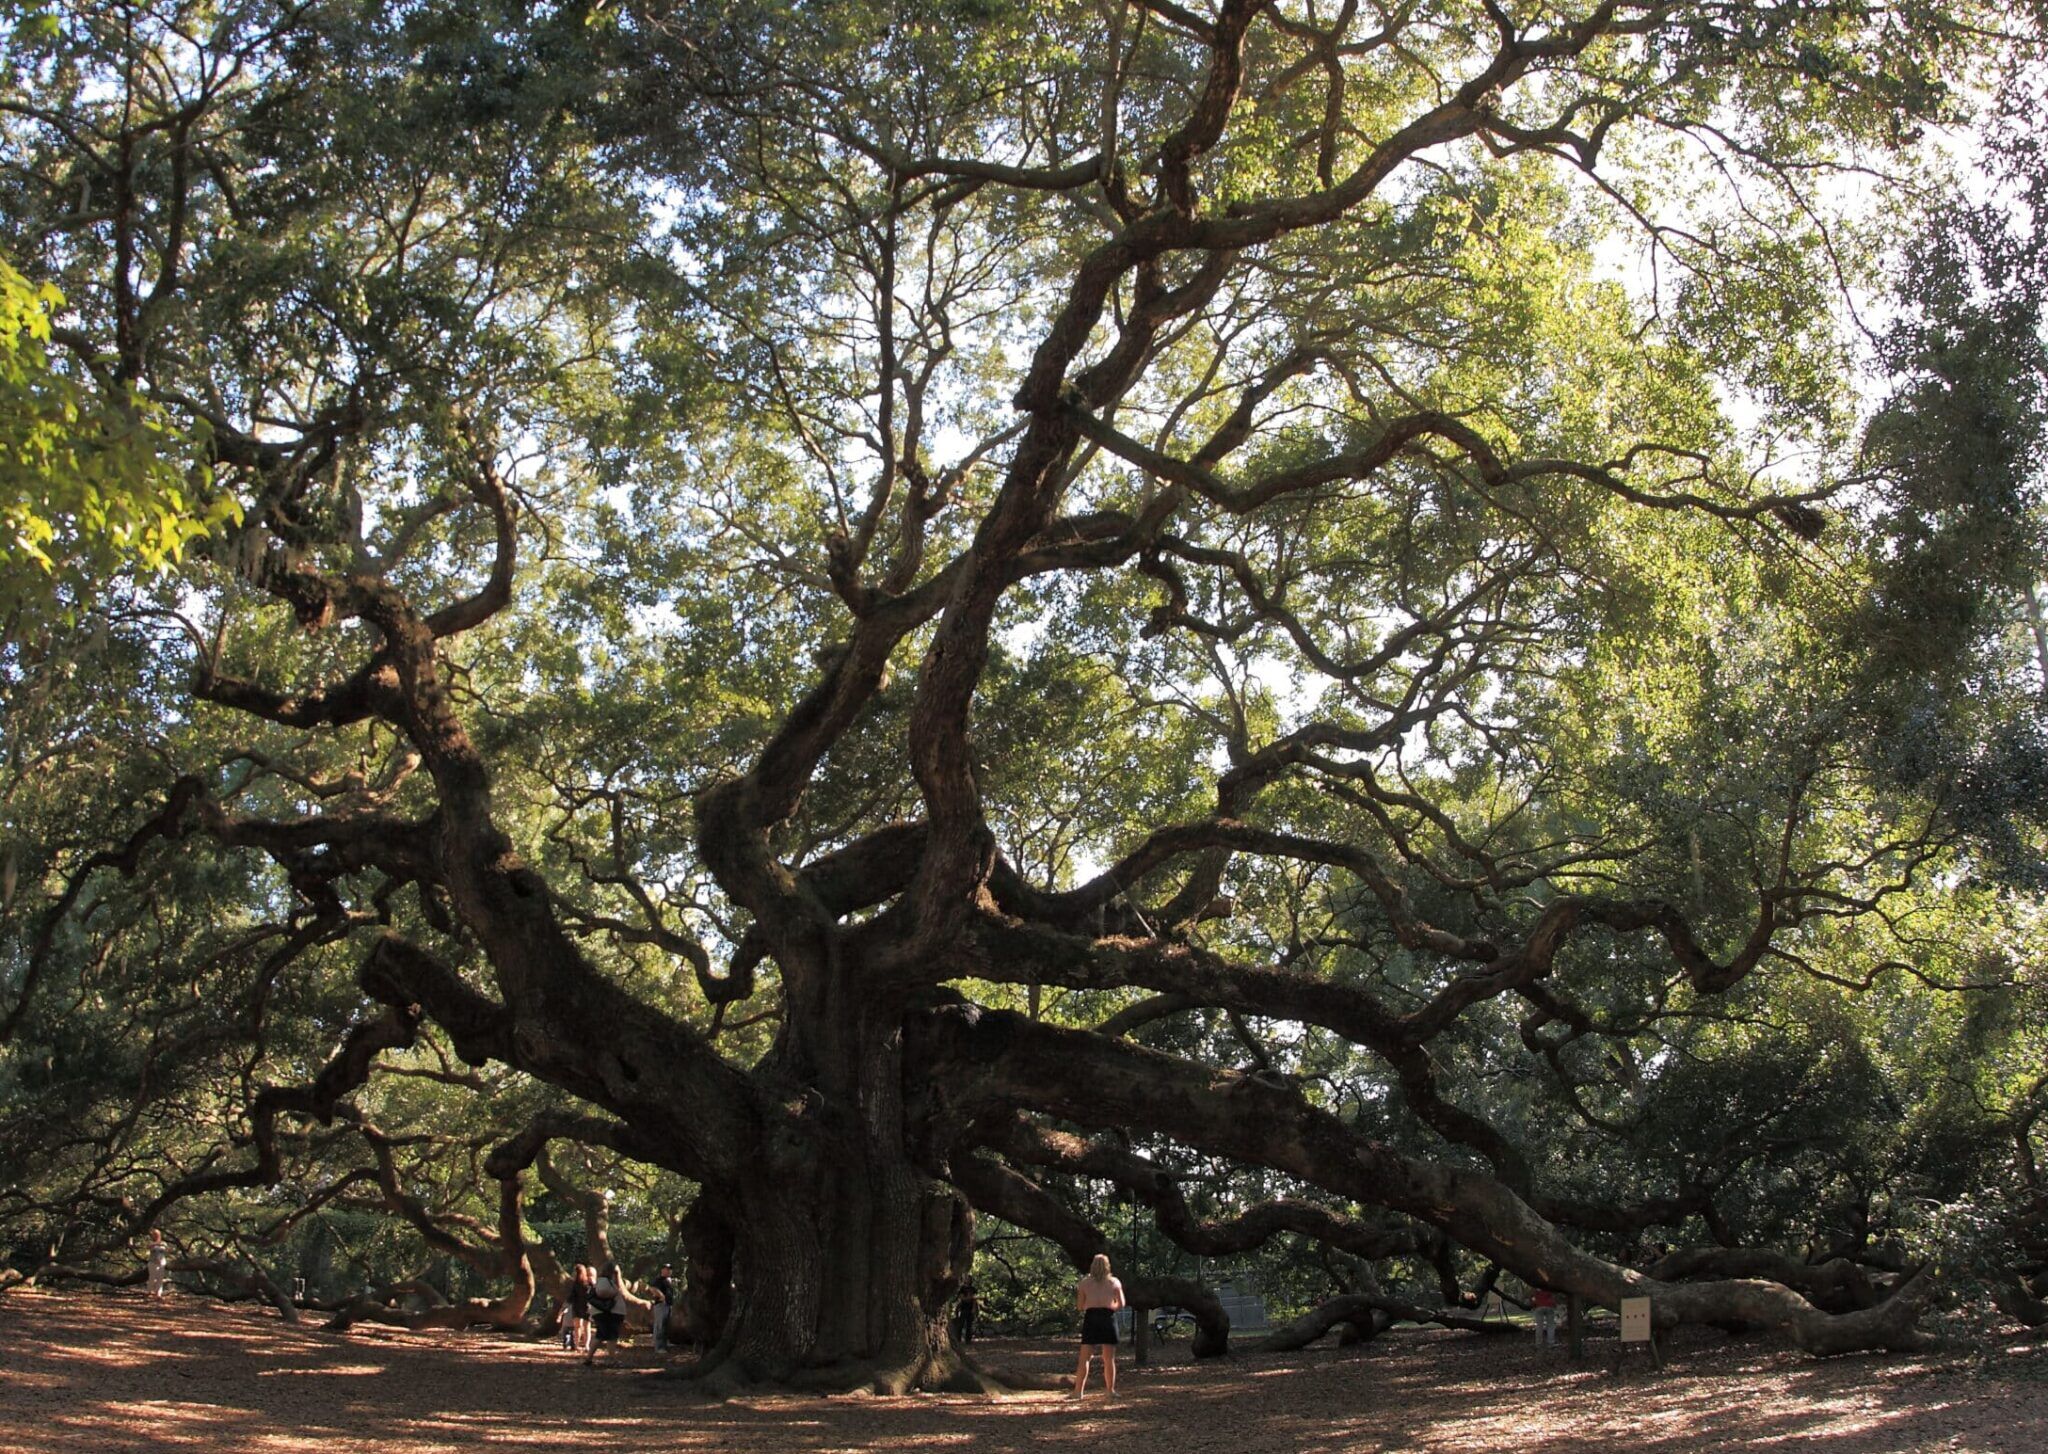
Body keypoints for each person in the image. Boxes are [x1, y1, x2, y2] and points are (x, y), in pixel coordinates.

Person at [1072, 1254, 1124, 1397]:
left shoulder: (1084, 1283)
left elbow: (1080, 1306)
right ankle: (1110, 1390)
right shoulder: (1114, 1282)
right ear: (1108, 1265)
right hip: (1108, 1318)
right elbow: (1121, 1303)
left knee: (1085, 1358)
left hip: (1091, 1319)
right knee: (1108, 1359)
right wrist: (1111, 1306)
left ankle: (1078, 1391)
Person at [587, 1260, 626, 1365]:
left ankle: (589, 1358)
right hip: (608, 1313)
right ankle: (613, 1359)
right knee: (610, 1336)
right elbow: (603, 1292)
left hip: (609, 1313)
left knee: (601, 1335)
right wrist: (614, 1294)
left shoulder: (607, 1281)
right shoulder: (604, 1281)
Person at [565, 1265, 594, 1356]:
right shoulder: (580, 1283)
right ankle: (582, 1345)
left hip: (582, 1307)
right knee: (582, 1327)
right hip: (583, 1307)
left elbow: (572, 1296)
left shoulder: (586, 1283)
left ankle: (582, 1345)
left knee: (582, 1327)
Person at [649, 1264, 675, 1352]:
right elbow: (652, 1288)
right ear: (662, 1270)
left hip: (668, 1305)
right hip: (660, 1305)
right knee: (659, 1325)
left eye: (670, 1269)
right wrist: (661, 1296)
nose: (668, 1271)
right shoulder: (658, 1279)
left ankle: (664, 1345)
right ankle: (658, 1347)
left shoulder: (668, 1281)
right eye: (666, 1269)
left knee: (665, 1325)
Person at [145, 1229, 170, 1299]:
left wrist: (164, 1246)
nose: (155, 1236)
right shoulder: (151, 1243)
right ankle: (149, 1291)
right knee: (152, 1277)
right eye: (154, 1235)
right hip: (152, 1262)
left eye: (157, 1234)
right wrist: (156, 1243)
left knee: (160, 1278)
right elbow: (148, 1247)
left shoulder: (164, 1243)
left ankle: (158, 1293)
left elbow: (168, 1250)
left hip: (161, 1263)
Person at [954, 1279, 979, 1345]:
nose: (968, 1280)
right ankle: (958, 1339)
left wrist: (974, 1308)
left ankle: (968, 1340)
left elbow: (974, 1299)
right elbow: (962, 1298)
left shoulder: (973, 1289)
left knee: (969, 1325)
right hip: (963, 1309)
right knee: (961, 1324)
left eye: (969, 1279)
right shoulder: (962, 1289)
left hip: (970, 1309)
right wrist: (968, 1298)